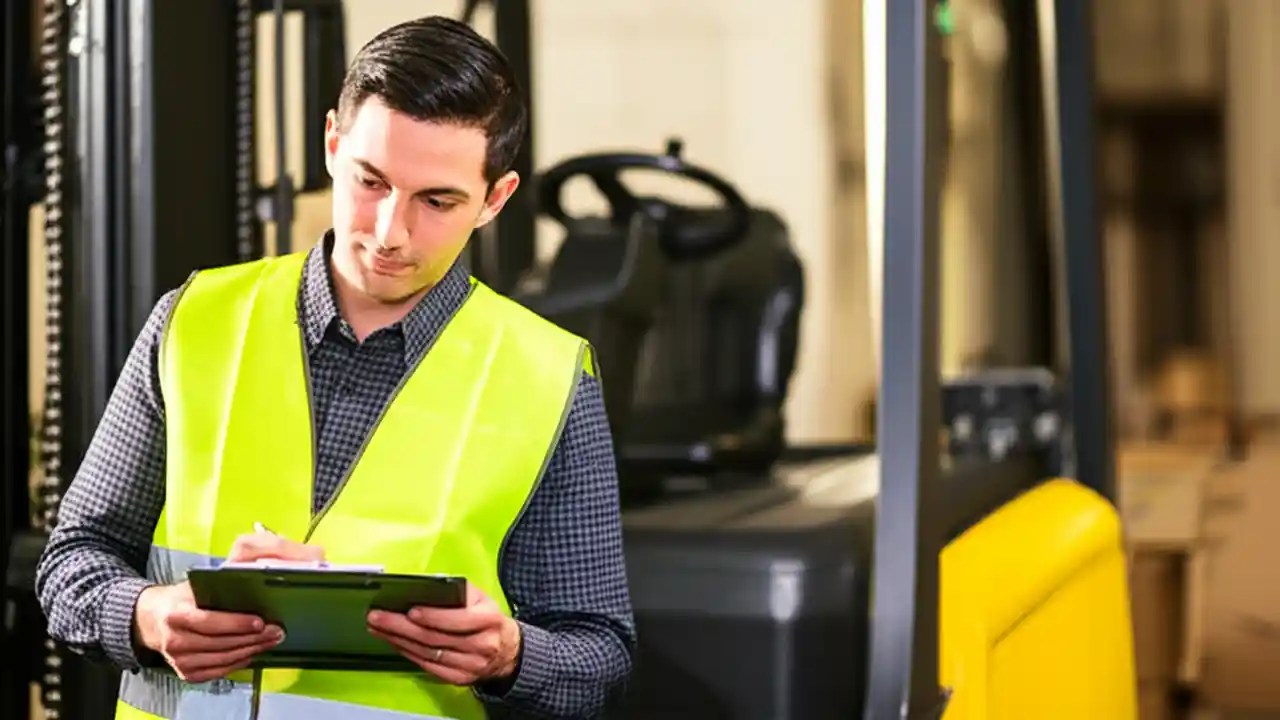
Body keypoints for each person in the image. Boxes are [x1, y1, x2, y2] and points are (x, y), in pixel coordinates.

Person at [35, 14, 635, 720]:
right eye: (370, 181)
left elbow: (598, 655)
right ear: (331, 142)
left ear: (495, 199)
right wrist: (144, 614)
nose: (389, 232)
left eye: (436, 201)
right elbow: (72, 562)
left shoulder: (550, 375)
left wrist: (511, 655)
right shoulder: (194, 320)